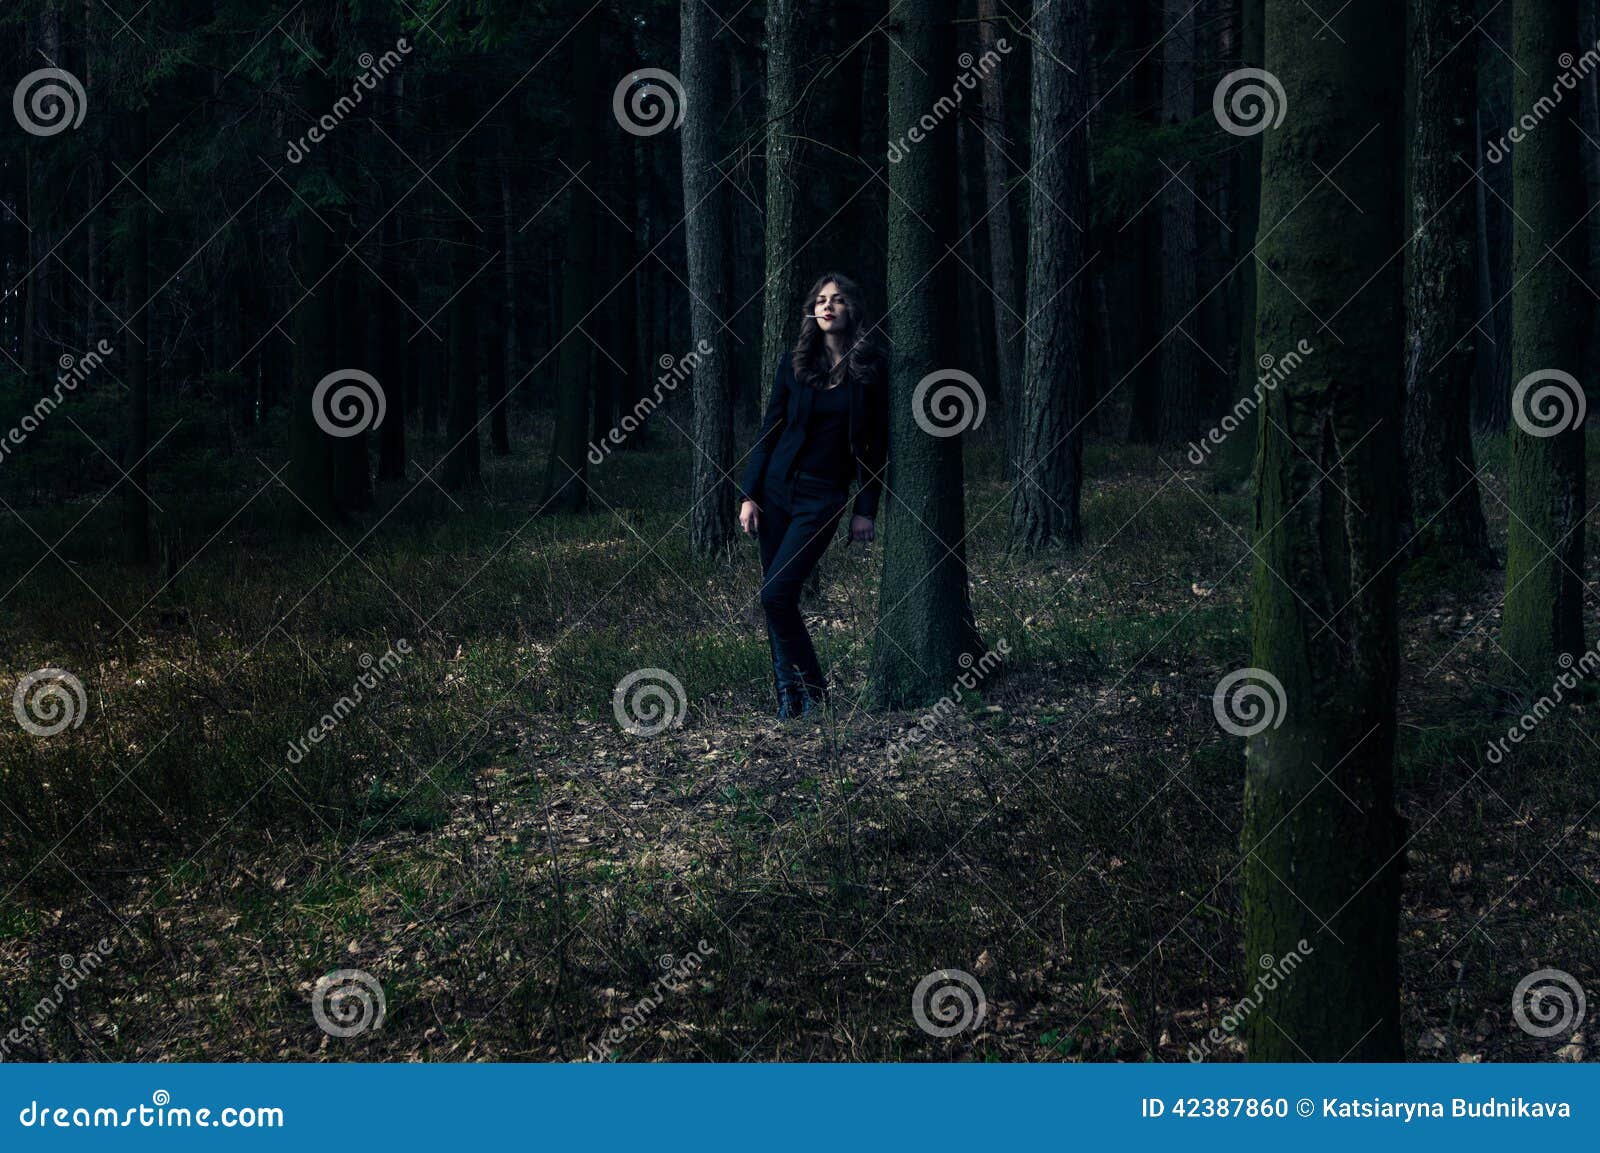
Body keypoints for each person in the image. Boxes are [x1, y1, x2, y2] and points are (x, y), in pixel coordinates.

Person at [738, 273, 888, 718]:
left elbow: (877, 446)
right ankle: (791, 698)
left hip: (822, 498)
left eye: (837, 300)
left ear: (852, 310)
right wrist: (749, 494)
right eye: (821, 300)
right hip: (775, 491)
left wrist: (866, 509)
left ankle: (813, 692)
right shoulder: (795, 363)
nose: (827, 306)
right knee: (775, 597)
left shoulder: (870, 369)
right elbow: (769, 431)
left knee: (775, 596)